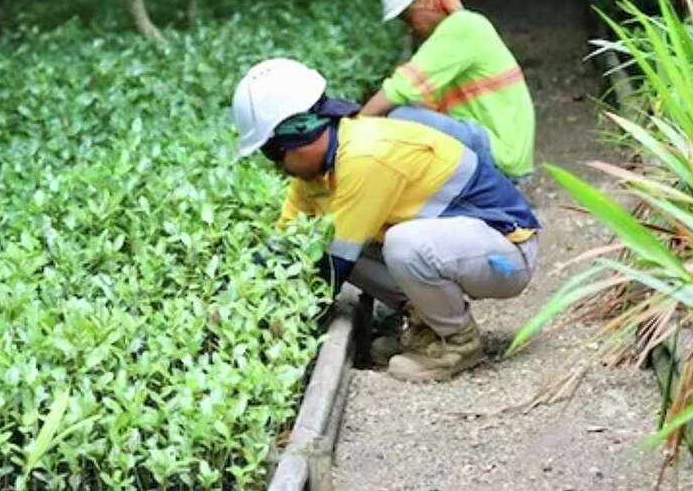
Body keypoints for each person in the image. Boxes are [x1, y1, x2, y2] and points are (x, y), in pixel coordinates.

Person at [231, 58, 540, 383]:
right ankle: (428, 327)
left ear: (301, 135)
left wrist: (279, 331)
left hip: (507, 250)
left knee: (395, 245)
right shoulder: (316, 173)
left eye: (273, 153)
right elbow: (286, 246)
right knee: (331, 241)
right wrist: (241, 294)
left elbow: (334, 270)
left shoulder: (364, 157)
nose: (276, 166)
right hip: (462, 245)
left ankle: (458, 341)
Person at [360, 0, 536, 182]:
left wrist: (354, 128)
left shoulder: (461, 27)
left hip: (500, 153)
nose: (410, 29)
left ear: (427, 0)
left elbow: (400, 88)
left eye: (407, 18)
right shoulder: (463, 26)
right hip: (501, 148)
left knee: (400, 117)